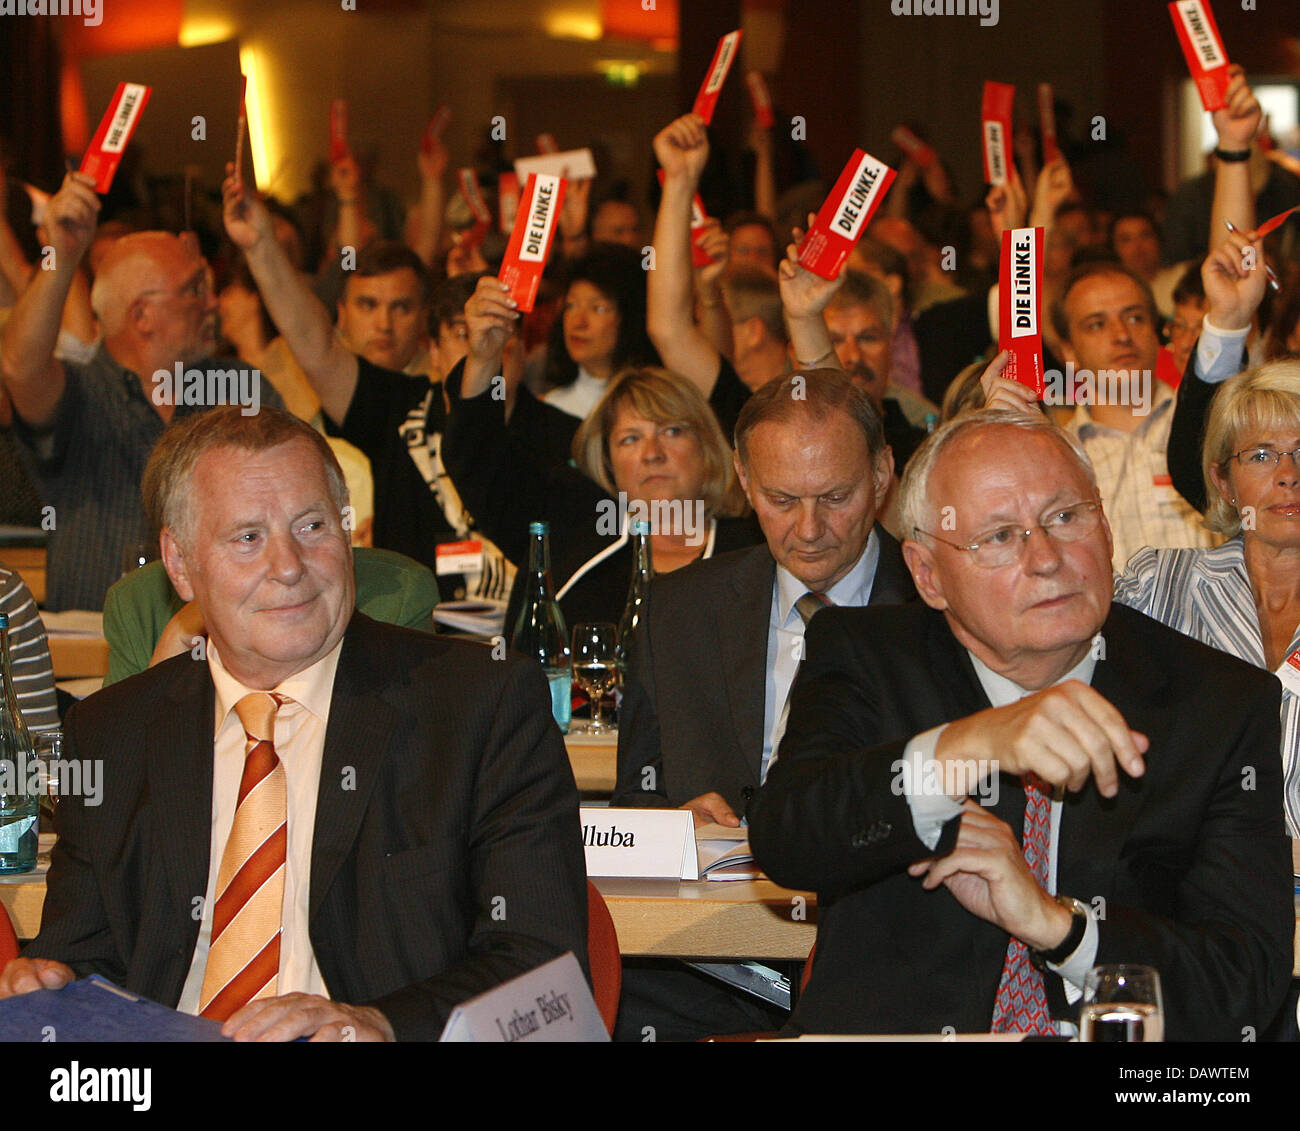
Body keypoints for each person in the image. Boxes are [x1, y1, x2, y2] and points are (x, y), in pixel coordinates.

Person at [0, 406, 587, 1041]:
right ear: (178, 562)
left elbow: (544, 964)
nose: (288, 565)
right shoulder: (112, 732)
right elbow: (81, 962)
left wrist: (380, 1023)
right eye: (247, 537)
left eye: (311, 526)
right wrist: (45, 984)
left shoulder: (480, 704)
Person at [750, 411, 1293, 1040]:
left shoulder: (1219, 701)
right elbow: (788, 837)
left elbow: (1247, 981)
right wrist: (967, 746)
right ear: (927, 574)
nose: (1047, 559)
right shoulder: (867, 656)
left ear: (1108, 528)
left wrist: (1060, 927)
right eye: (1001, 536)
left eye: (1066, 517)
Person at [613, 369, 914, 825]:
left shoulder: (937, 606)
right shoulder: (678, 612)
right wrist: (673, 824)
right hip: (712, 893)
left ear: (880, 474)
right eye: (782, 500)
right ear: (744, 479)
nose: (809, 530)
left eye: (834, 498)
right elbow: (634, 803)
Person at [222, 168, 511, 603]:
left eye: (492, 336)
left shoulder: (552, 427)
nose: (383, 324)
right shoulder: (399, 406)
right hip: (420, 633)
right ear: (435, 346)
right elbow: (315, 345)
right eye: (463, 334)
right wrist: (261, 246)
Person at [0, 171, 281, 611]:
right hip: (95, 661)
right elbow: (18, 365)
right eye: (193, 290)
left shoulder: (240, 390)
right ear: (142, 316)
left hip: (221, 656)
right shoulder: (79, 395)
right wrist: (62, 255)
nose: (212, 303)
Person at [1116, 359, 1300, 837]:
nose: (1288, 474)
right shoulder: (1157, 586)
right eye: (1261, 455)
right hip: (1187, 891)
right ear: (1223, 482)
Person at [1052, 260, 1220, 571]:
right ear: (1068, 351)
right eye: (1097, 324)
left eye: (1135, 317)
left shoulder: (1209, 426)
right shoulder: (1057, 458)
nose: (1122, 335)